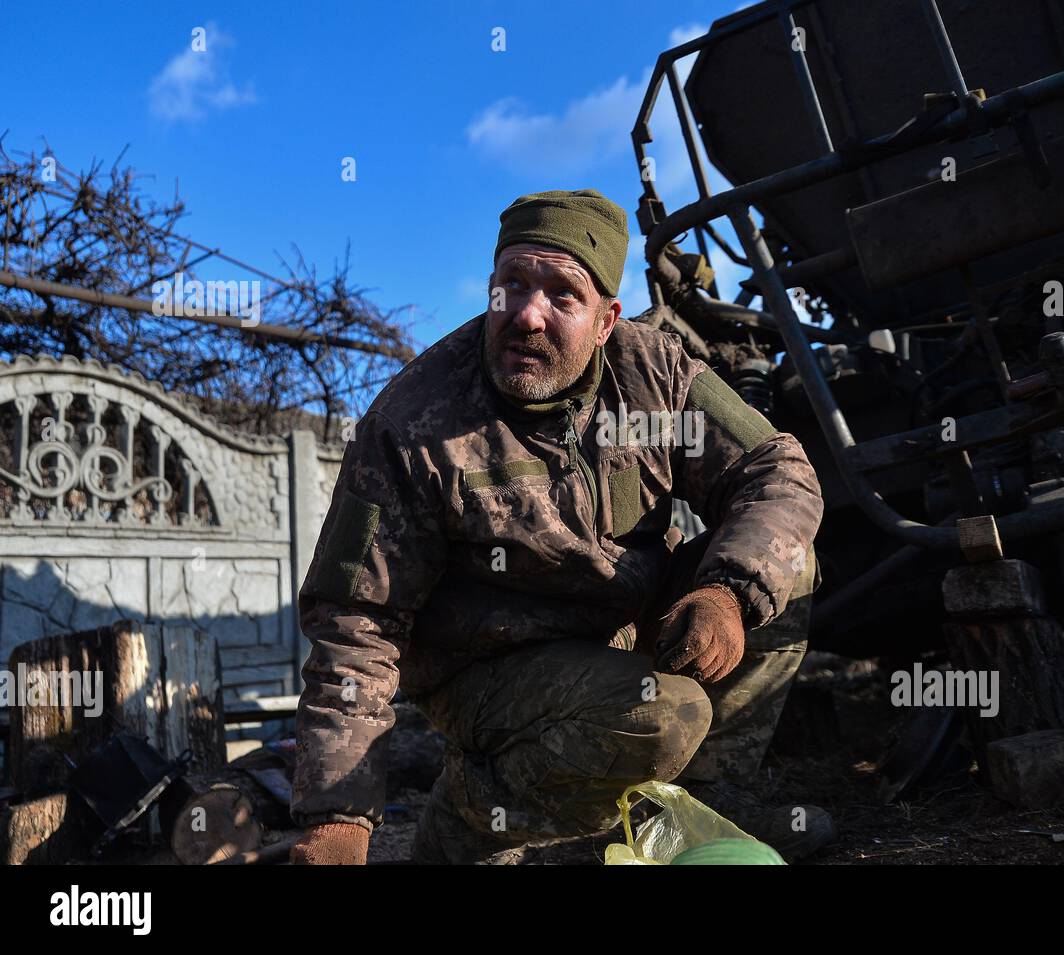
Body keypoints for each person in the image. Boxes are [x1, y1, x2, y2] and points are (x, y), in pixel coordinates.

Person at [289, 188, 828, 864]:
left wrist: (727, 592)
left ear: (606, 321)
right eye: (511, 285)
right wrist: (338, 813)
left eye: (561, 294)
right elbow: (356, 618)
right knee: (665, 712)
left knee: (786, 566)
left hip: (626, 624)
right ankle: (471, 813)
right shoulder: (412, 422)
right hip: (487, 669)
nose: (527, 315)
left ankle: (702, 807)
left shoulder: (655, 373)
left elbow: (777, 468)